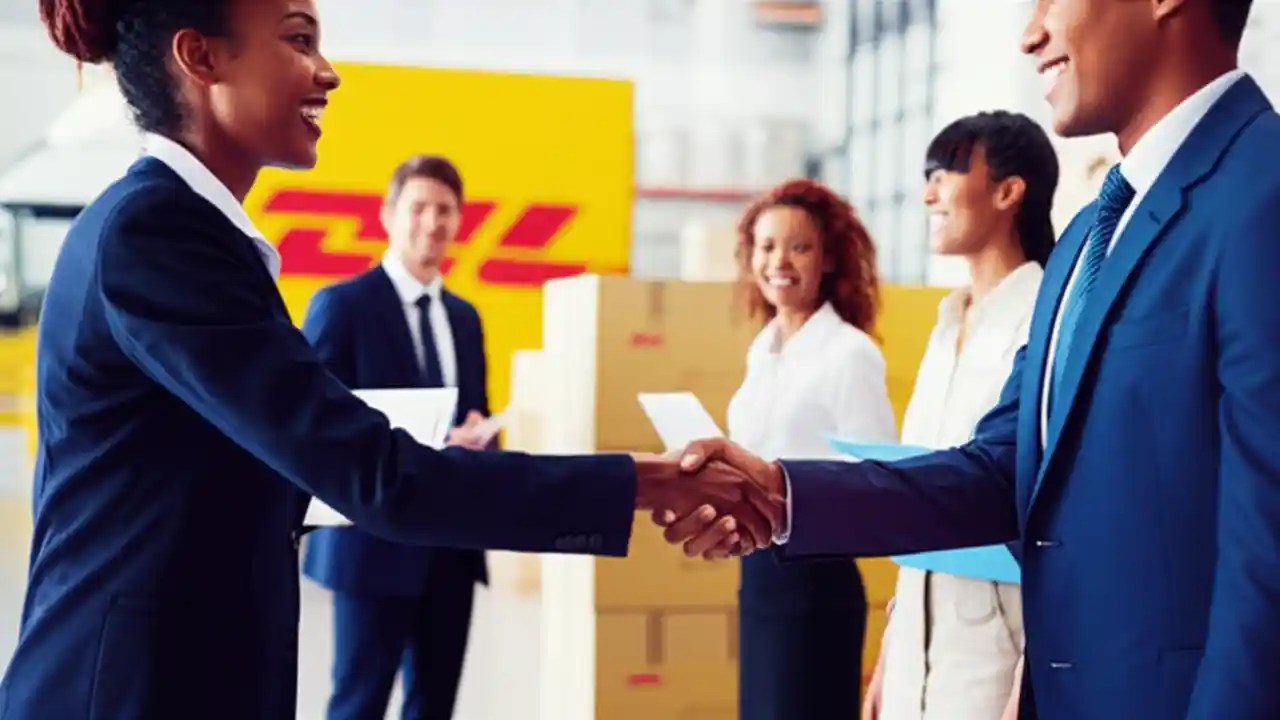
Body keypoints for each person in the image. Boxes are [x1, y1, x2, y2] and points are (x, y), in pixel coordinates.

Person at [0, 2, 770, 719]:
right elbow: (380, 477)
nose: (328, 72)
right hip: (125, 688)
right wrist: (653, 478)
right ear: (201, 57)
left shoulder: (187, 236)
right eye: (299, 40)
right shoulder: (157, 236)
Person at [667, 0, 1280, 717]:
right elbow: (1001, 471)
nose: (1030, 33)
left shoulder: (1262, 197)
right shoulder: (1088, 235)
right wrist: (780, 493)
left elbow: (1266, 554)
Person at [861, 111, 1058, 720]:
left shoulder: (1047, 322)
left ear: (1008, 191)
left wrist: (1033, 674)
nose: (928, 194)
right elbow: (923, 491)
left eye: (944, 174)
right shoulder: (945, 327)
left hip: (999, 656)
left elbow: (1056, 507)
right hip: (919, 651)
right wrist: (892, 649)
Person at [301, 155, 494, 719]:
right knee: (358, 704)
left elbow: (476, 408)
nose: (432, 222)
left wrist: (479, 435)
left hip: (450, 548)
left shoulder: (465, 318)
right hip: (371, 544)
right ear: (388, 215)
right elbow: (318, 428)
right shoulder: (342, 307)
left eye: (445, 211)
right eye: (419, 208)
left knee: (435, 706)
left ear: (459, 221)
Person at [727, 179, 897, 720]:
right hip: (758, 576)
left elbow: (876, 477)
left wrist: (784, 491)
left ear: (827, 259)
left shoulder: (850, 354)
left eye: (798, 246)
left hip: (815, 583)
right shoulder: (764, 352)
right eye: (767, 246)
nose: (779, 260)